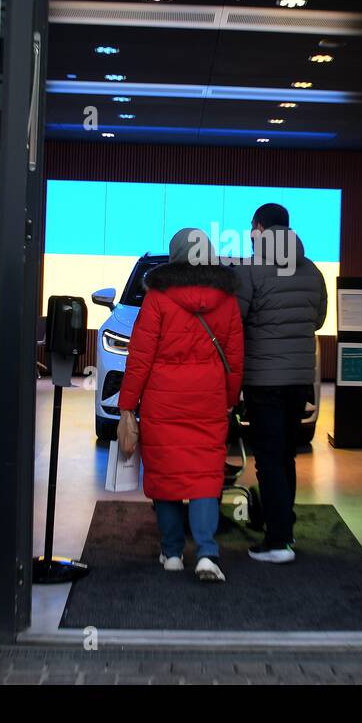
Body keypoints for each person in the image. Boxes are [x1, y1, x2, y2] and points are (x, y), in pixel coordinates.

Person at [117, 227, 243, 583]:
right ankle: (206, 554)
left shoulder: (158, 298)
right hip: (208, 400)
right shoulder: (227, 299)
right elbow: (234, 358)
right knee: (206, 476)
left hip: (163, 403)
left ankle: (172, 553)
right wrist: (230, 399)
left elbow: (140, 356)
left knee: (165, 475)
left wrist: (128, 405)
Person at [232, 203, 327, 564]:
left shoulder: (251, 271)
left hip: (263, 379)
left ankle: (277, 541)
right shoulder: (312, 271)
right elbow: (317, 320)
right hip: (299, 378)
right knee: (286, 456)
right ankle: (284, 527)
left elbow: (237, 320)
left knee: (269, 459)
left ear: (258, 227)